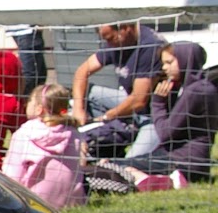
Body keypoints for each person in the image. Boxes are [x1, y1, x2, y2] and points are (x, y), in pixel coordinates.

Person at [116, 41, 217, 188]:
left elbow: (165, 133)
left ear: (185, 60)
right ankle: (155, 179)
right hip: (184, 160)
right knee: (114, 164)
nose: (164, 68)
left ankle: (163, 181)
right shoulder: (193, 87)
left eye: (169, 62)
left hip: (184, 162)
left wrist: (157, 103)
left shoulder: (196, 91)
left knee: (112, 165)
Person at [71, 20, 165, 159]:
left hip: (154, 114)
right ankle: (104, 139)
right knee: (89, 93)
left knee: (129, 164)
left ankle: (120, 138)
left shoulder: (149, 46)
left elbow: (139, 100)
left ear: (125, 28)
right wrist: (78, 109)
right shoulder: (117, 43)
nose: (108, 44)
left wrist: (107, 116)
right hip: (129, 100)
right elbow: (82, 72)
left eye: (111, 38)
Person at [2, 84, 86, 209]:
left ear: (39, 109)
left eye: (30, 101)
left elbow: (13, 175)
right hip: (72, 202)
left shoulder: (26, 132)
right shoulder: (73, 133)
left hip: (34, 202)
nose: (26, 104)